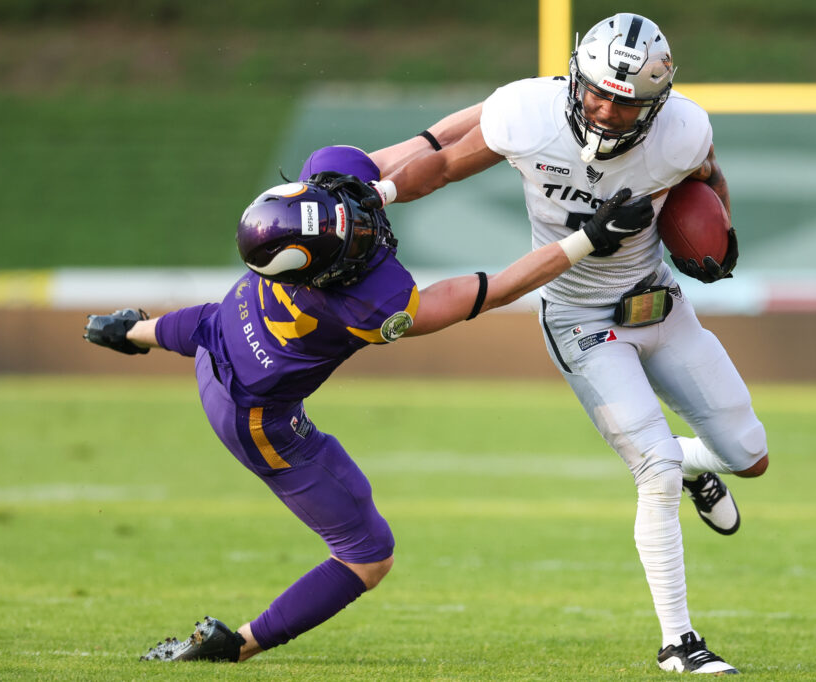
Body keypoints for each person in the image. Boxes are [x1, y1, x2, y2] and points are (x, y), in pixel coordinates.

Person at [82, 145, 651, 663]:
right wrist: (587, 240)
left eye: (345, 215)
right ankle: (237, 646)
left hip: (214, 345)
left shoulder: (323, 188)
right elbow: (492, 290)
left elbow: (208, 323)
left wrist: (135, 331)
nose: (360, 231)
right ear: (322, 272)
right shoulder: (371, 304)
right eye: (346, 240)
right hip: (255, 418)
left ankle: (130, 334)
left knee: (219, 323)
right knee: (368, 555)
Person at [326, 12, 769, 675]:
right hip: (581, 318)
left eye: (627, 102)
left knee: (750, 456)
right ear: (573, 79)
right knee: (652, 470)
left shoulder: (682, 131)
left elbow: (705, 177)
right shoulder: (528, 115)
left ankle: (695, 464)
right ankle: (679, 642)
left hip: (659, 305)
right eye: (597, 93)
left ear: (657, 105)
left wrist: (719, 236)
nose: (608, 110)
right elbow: (445, 164)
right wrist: (382, 190)